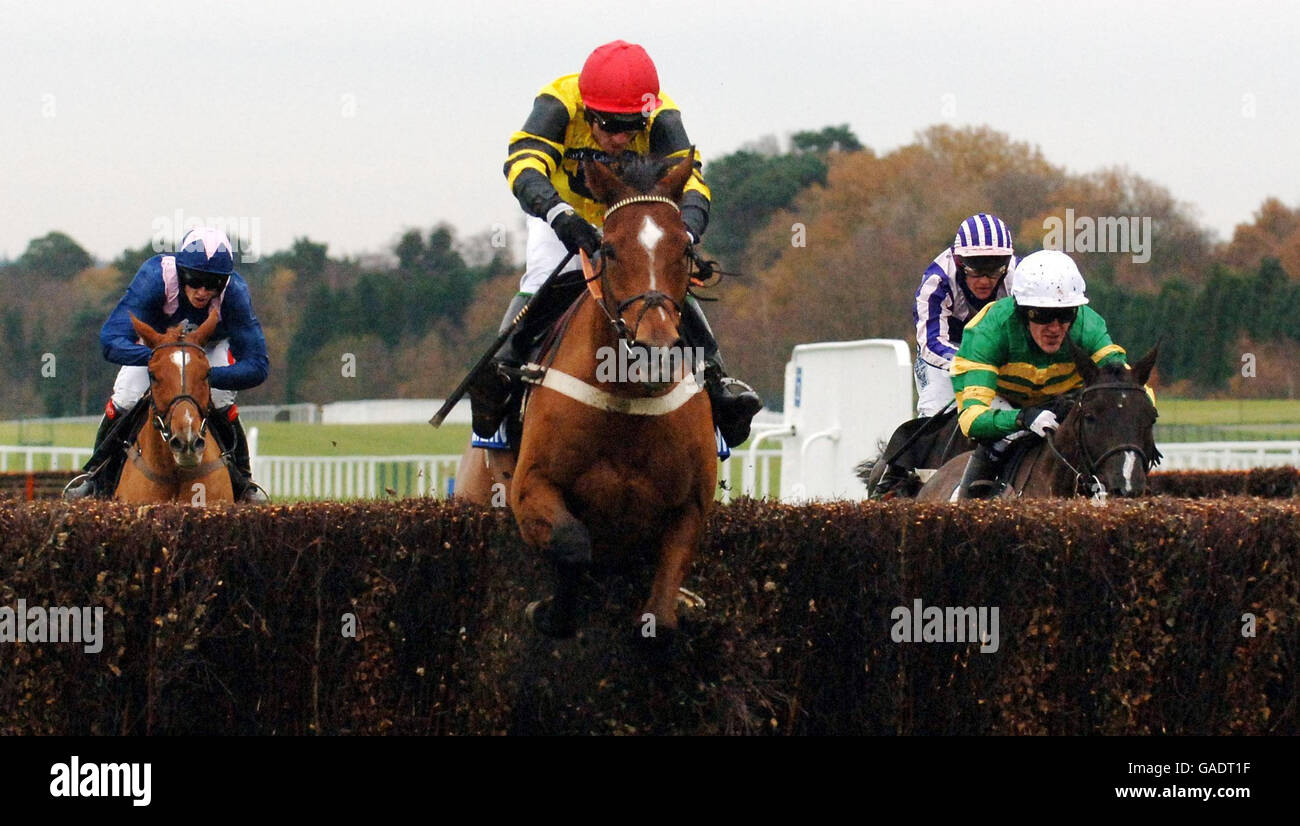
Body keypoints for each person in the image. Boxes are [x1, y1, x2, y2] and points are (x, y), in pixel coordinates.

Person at [467, 39, 763, 448]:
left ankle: (716, 376)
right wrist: (560, 217)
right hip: (564, 213)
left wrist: (687, 236)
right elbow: (522, 164)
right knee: (546, 274)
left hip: (630, 219)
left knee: (664, 277)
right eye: (607, 126)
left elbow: (692, 180)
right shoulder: (558, 103)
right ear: (587, 110)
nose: (619, 139)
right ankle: (503, 372)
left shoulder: (662, 116)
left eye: (630, 129)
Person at [63, 227, 270, 502]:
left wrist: (204, 376)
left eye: (213, 284)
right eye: (195, 280)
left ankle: (244, 483)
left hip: (205, 350)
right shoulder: (155, 277)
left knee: (220, 397)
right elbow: (111, 340)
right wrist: (162, 364)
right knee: (126, 394)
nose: (202, 291)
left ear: (225, 282)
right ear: (181, 272)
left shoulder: (235, 293)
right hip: (157, 348)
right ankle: (95, 476)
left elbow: (257, 364)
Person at [949, 249, 1128, 499]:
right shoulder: (990, 332)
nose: (1055, 328)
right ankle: (963, 504)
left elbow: (1125, 384)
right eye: (1042, 315)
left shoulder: (1088, 326)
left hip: (1061, 395)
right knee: (998, 441)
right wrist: (1022, 418)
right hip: (1003, 398)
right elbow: (972, 420)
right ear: (1023, 311)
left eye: (1065, 315)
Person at [871, 213, 1016, 498]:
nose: (986, 279)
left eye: (995, 266)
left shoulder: (1019, 278)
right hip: (942, 359)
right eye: (976, 267)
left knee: (1010, 416)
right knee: (936, 417)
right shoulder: (935, 282)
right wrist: (972, 366)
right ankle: (899, 483)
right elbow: (931, 343)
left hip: (998, 357)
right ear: (959, 261)